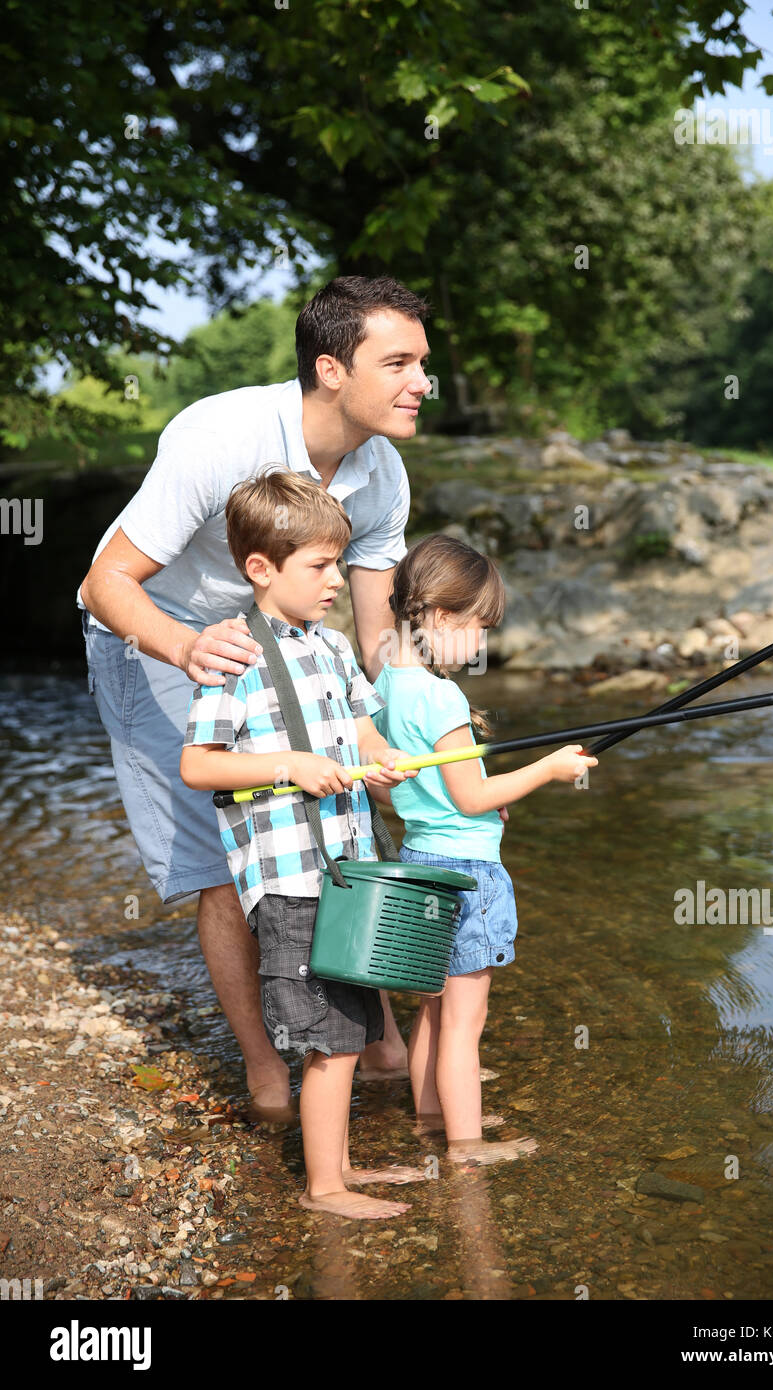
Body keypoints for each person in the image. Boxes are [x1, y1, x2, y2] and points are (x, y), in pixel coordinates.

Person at [77, 274, 462, 1120]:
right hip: (164, 631)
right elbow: (105, 581)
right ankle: (265, 1075)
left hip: (293, 632)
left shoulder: (383, 475)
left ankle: (379, 1043)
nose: (422, 383)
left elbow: (375, 640)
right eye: (398, 363)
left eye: (424, 364)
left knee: (350, 819)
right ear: (332, 369)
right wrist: (186, 646)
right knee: (226, 861)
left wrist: (418, 731)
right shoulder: (222, 437)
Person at [181, 470, 425, 1218]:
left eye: (337, 564)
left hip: (350, 876)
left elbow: (364, 736)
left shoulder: (334, 650)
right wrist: (290, 766)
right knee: (331, 1041)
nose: (334, 581)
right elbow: (199, 765)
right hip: (289, 885)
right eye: (318, 566)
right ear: (261, 568)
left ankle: (343, 1166)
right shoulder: (235, 656)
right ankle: (324, 1190)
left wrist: (392, 771)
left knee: (352, 1021)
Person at [371, 534, 599, 1166]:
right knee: (464, 1026)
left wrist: (484, 793)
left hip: (420, 861)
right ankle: (467, 1147)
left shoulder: (388, 681)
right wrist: (547, 770)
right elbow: (471, 798)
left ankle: (433, 1115)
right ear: (440, 617)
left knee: (432, 1014)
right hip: (466, 872)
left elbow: (437, 789)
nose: (482, 644)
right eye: (478, 628)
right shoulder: (442, 696)